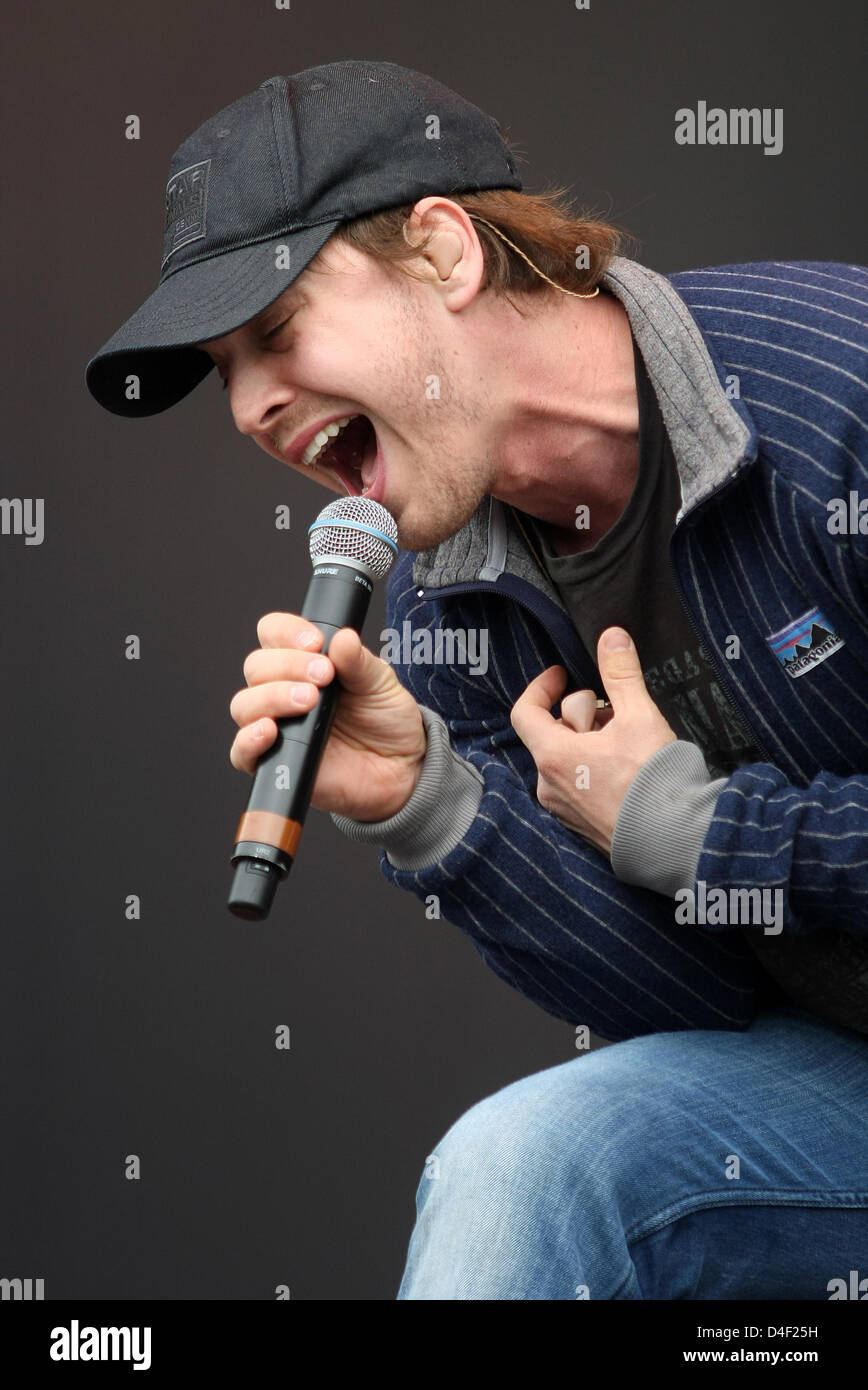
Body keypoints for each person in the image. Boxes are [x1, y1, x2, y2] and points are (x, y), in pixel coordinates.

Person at [86, 60, 868, 1300]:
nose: (246, 408)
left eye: (275, 333)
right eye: (222, 373)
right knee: (527, 1162)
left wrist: (713, 832)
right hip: (841, 1089)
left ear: (445, 252)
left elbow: (709, 855)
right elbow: (690, 996)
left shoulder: (839, 391)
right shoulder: (441, 606)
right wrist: (433, 806)